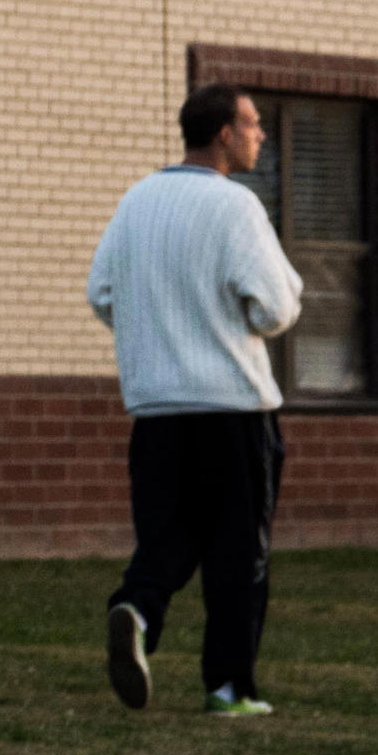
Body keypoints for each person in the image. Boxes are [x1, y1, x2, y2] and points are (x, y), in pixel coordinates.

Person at [91, 85, 304, 717]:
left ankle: (136, 611)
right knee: (238, 552)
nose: (260, 135)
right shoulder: (236, 206)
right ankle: (229, 688)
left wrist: (155, 332)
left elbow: (101, 292)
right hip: (233, 410)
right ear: (223, 134)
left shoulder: (136, 201)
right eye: (253, 124)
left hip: (156, 410)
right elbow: (275, 307)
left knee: (167, 537)